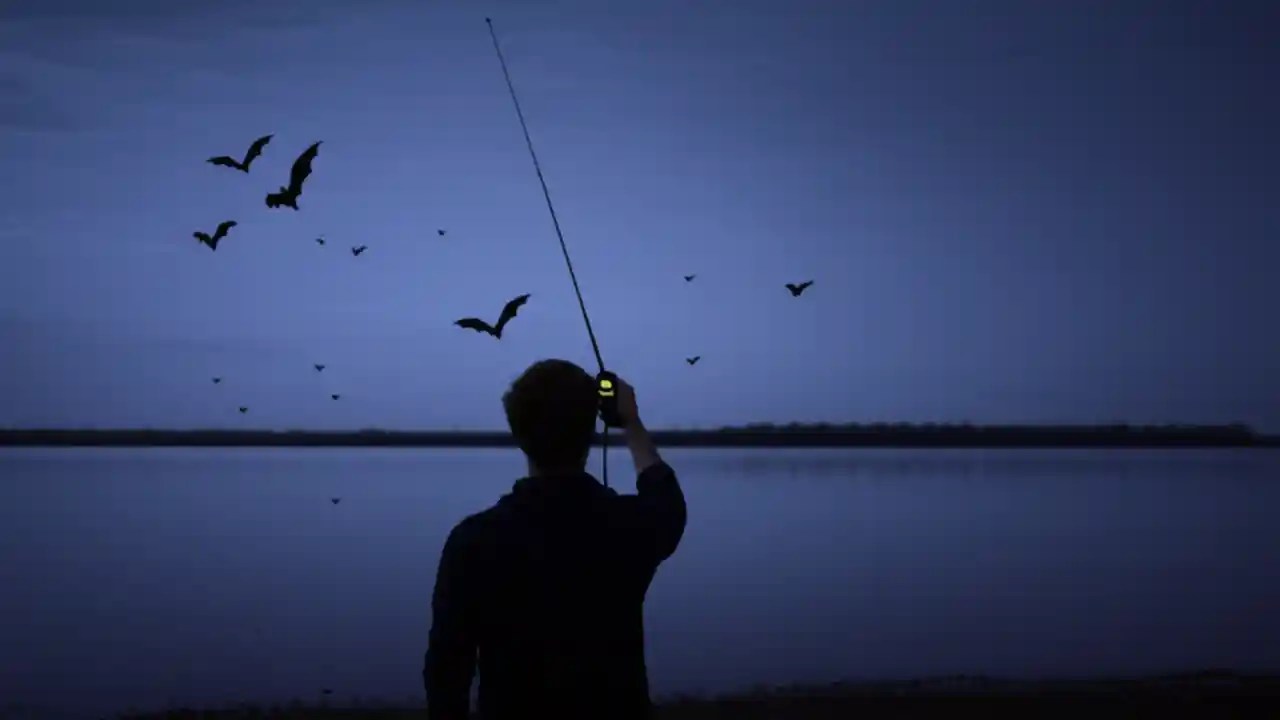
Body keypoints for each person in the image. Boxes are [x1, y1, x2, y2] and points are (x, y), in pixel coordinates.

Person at [423, 359, 688, 720]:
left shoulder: (472, 542)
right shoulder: (630, 525)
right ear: (590, 432)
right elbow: (666, 500)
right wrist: (631, 422)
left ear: (518, 434)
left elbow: (446, 671)